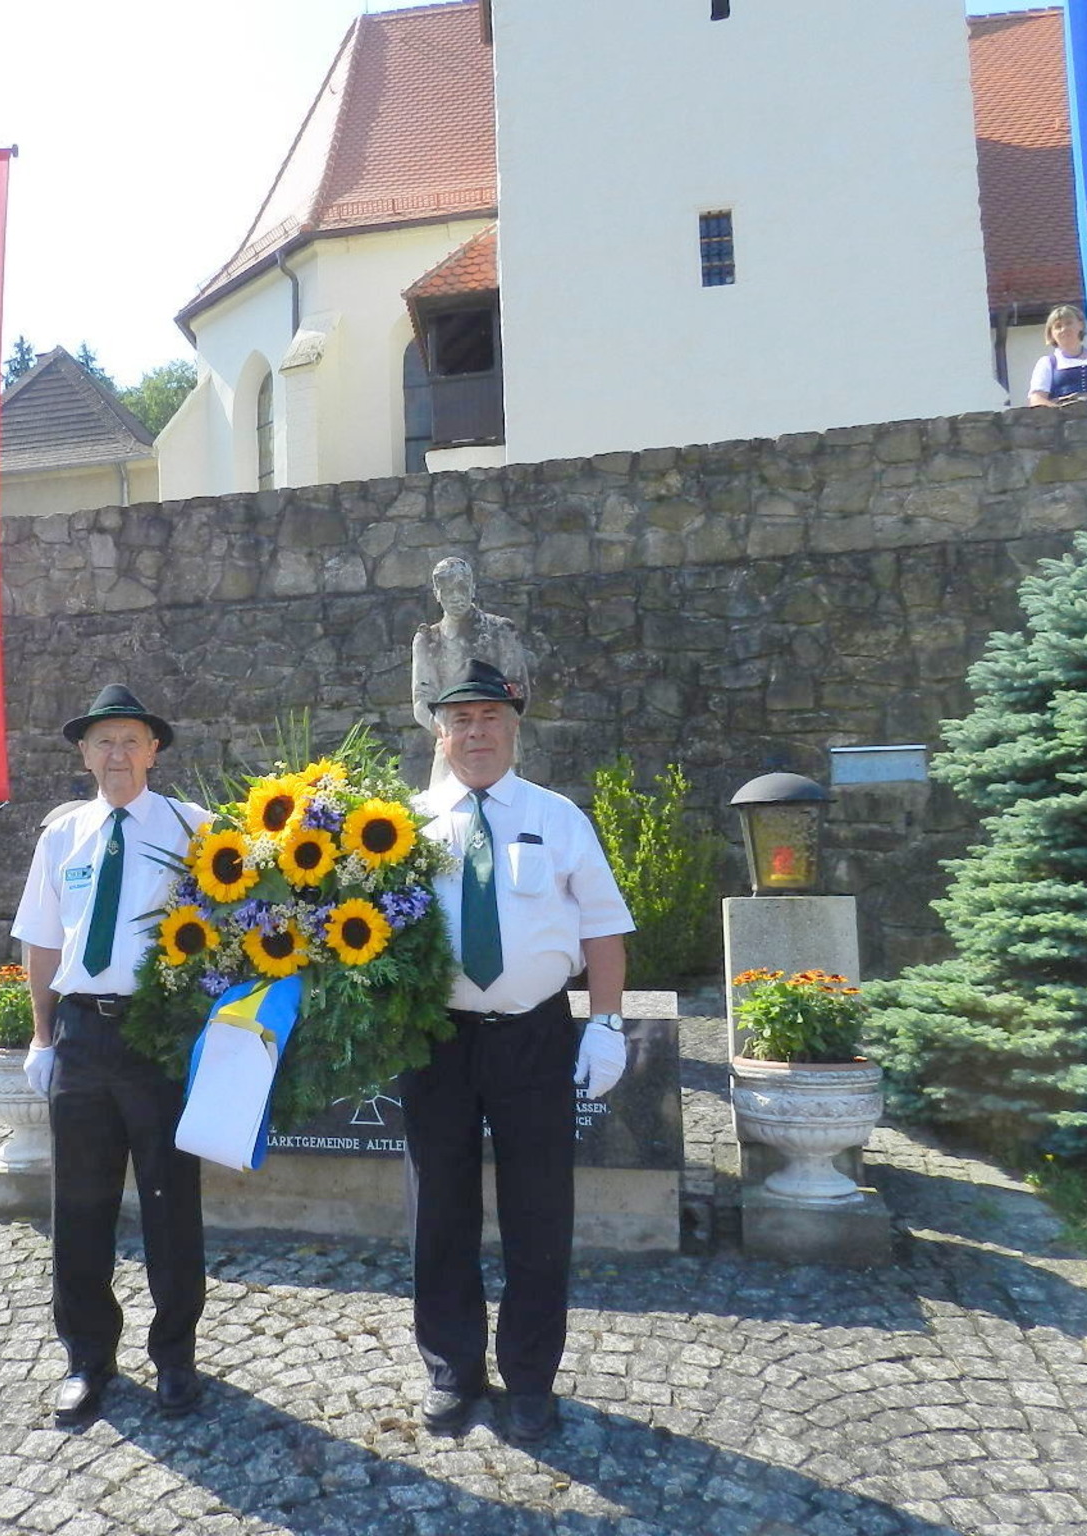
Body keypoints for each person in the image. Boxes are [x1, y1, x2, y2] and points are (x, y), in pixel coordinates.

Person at [401, 659, 634, 1444]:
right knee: (441, 1210)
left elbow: (603, 925)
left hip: (535, 1033)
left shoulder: (557, 816)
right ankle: (452, 1371)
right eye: (460, 720)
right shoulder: (402, 827)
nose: (476, 733)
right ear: (440, 732)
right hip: (436, 1039)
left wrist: (605, 1024)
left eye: (490, 718)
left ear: (514, 727)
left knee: (539, 1211)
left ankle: (531, 1379)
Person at [12, 684, 210, 1428]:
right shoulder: (63, 836)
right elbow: (41, 938)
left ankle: (176, 1358)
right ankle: (87, 1358)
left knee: (170, 1203)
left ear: (154, 749)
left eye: (130, 740)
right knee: (81, 1208)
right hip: (82, 1037)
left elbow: (240, 922)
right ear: (84, 754)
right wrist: (39, 1036)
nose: (117, 754)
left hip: (160, 1035)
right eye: (103, 742)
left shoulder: (199, 830)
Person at [412, 556, 533, 786]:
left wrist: (498, 727)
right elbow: (421, 699)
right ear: (437, 594)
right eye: (448, 590)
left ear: (473, 588)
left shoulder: (500, 631)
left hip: (497, 741)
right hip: (449, 741)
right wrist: (447, 731)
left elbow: (519, 692)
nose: (456, 597)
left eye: (461, 588)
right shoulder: (427, 639)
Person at [1027, 305, 1087, 406]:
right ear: (1051, 333)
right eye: (1058, 326)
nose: (1064, 329)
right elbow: (1037, 399)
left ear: (1080, 325)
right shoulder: (1048, 363)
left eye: (1069, 323)